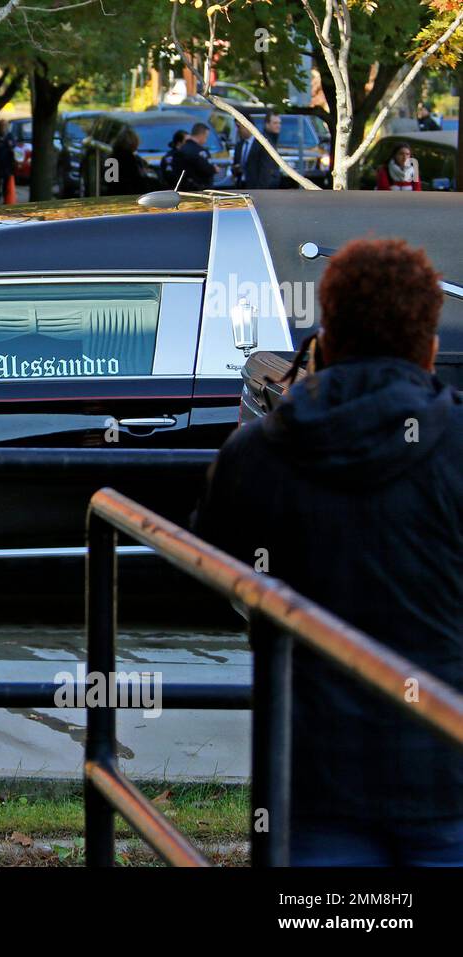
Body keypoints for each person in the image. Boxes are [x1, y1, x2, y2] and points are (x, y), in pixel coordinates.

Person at [193, 237, 463, 867]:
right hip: (446, 767)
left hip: (309, 771)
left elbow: (213, 572)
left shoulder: (258, 453)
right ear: (428, 347)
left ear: (325, 337)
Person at [103, 128, 157, 195]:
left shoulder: (111, 157)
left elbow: (109, 181)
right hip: (127, 195)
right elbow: (135, 181)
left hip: (113, 194)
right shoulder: (129, 159)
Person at [242, 112, 283, 189]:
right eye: (275, 123)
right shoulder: (263, 141)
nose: (278, 126)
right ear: (267, 124)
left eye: (279, 123)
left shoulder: (272, 140)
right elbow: (264, 169)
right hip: (264, 188)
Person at [173, 122, 217, 191]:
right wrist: (214, 169)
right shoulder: (200, 151)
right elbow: (207, 169)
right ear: (202, 135)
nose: (205, 141)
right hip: (200, 191)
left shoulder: (181, 150)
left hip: (183, 190)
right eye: (206, 137)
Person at [0, 119, 16, 204]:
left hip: (7, 163)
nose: (3, 128)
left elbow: (14, 146)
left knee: (6, 181)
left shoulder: (9, 135)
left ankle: (4, 197)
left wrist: (11, 145)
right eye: (1, 126)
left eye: (4, 126)